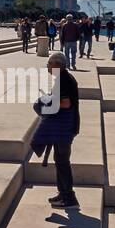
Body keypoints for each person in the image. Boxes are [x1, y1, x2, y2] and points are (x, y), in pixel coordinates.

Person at [32, 52, 81, 209]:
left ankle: (68, 198)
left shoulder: (64, 80)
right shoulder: (64, 78)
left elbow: (65, 103)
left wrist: (47, 101)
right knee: (61, 161)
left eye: (49, 64)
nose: (47, 66)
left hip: (64, 128)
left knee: (62, 162)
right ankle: (64, 194)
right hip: (65, 127)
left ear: (57, 65)